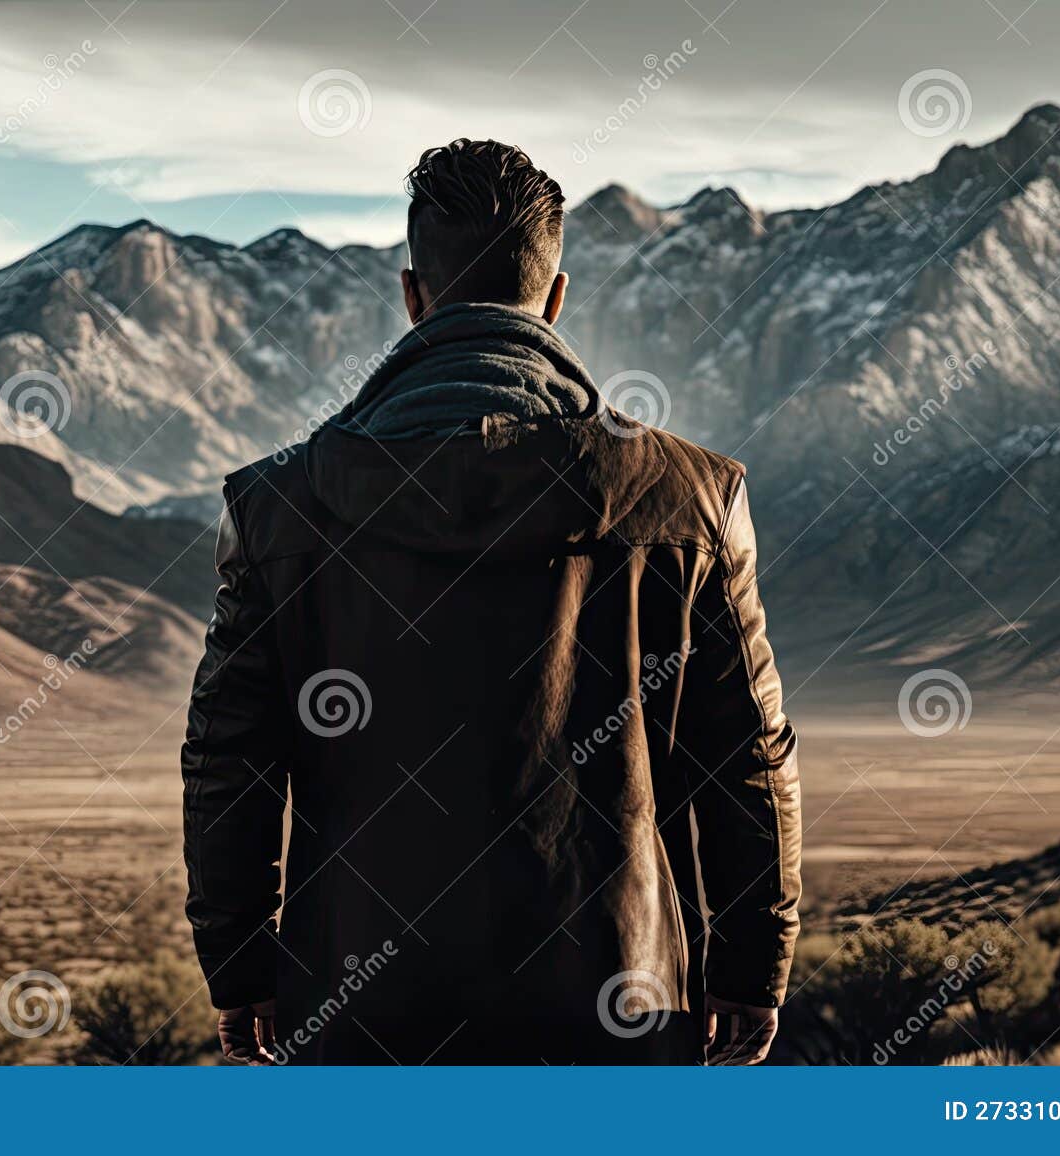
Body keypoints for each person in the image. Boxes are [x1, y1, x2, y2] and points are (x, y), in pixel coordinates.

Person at [182, 139, 800, 1065]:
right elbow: (748, 753)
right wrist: (752, 970)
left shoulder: (279, 507)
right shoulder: (693, 499)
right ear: (555, 299)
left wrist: (241, 970)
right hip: (624, 1007)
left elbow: (228, 760)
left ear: (411, 295)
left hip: (359, 1012)